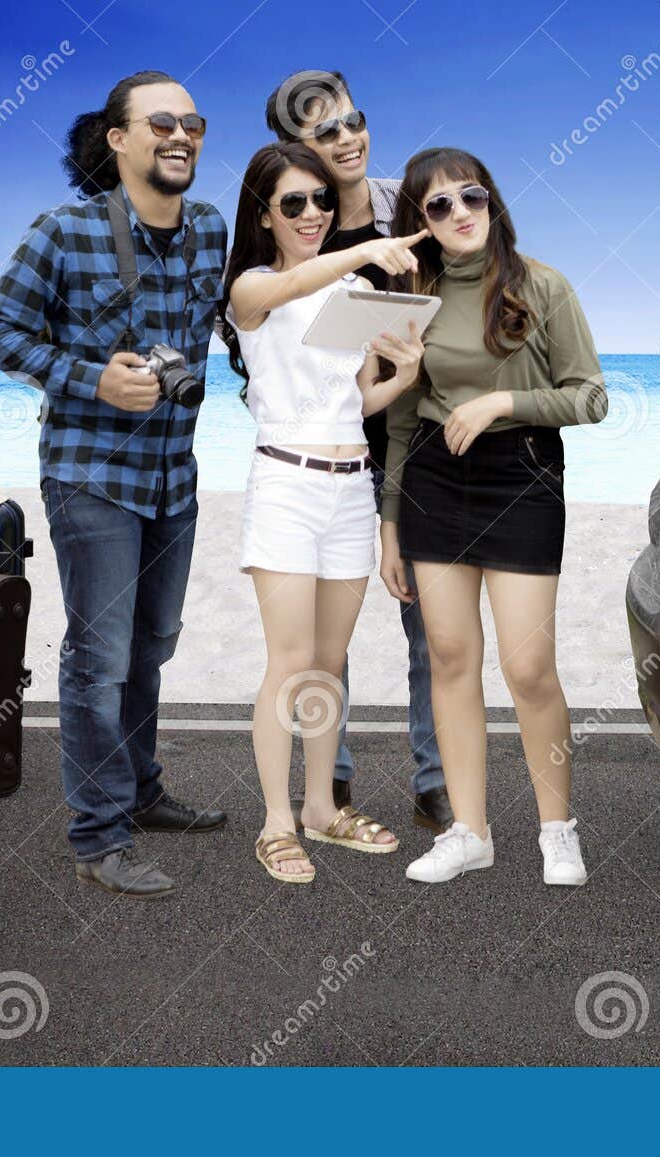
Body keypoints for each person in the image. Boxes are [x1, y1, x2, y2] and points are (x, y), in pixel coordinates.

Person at [0, 71, 227, 899]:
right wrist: (89, 377)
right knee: (98, 658)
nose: (181, 133)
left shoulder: (210, 231)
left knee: (152, 646)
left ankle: (142, 789)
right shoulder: (63, 231)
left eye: (192, 121)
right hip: (90, 476)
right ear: (117, 139)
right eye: (161, 121)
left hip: (172, 477)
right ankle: (98, 835)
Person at [381, 148, 608, 886]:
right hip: (433, 482)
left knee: (528, 666)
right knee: (449, 657)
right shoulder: (412, 296)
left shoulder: (543, 285)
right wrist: (389, 522)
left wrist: (501, 402)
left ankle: (557, 828)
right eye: (438, 207)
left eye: (470, 196)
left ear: (492, 201)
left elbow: (590, 396)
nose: (459, 214)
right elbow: (403, 418)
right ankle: (469, 831)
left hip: (523, 474)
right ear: (420, 224)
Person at [216, 142, 430, 883]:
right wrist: (364, 249)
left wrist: (400, 377)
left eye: (321, 201)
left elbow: (355, 399)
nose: (312, 214)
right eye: (293, 203)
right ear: (265, 215)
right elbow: (291, 286)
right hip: (285, 485)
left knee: (329, 664)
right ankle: (275, 821)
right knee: (289, 661)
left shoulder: (348, 296)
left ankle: (318, 808)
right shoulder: (250, 288)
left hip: (349, 485)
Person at [265, 69, 452, 833]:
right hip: (327, 451)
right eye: (325, 131)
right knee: (321, 641)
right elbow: (255, 329)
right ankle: (328, 781)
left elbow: (462, 284)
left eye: (353, 122)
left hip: (417, 437)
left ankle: (435, 778)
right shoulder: (289, 219)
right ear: (294, 149)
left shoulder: (407, 208)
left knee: (430, 625)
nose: (347, 139)